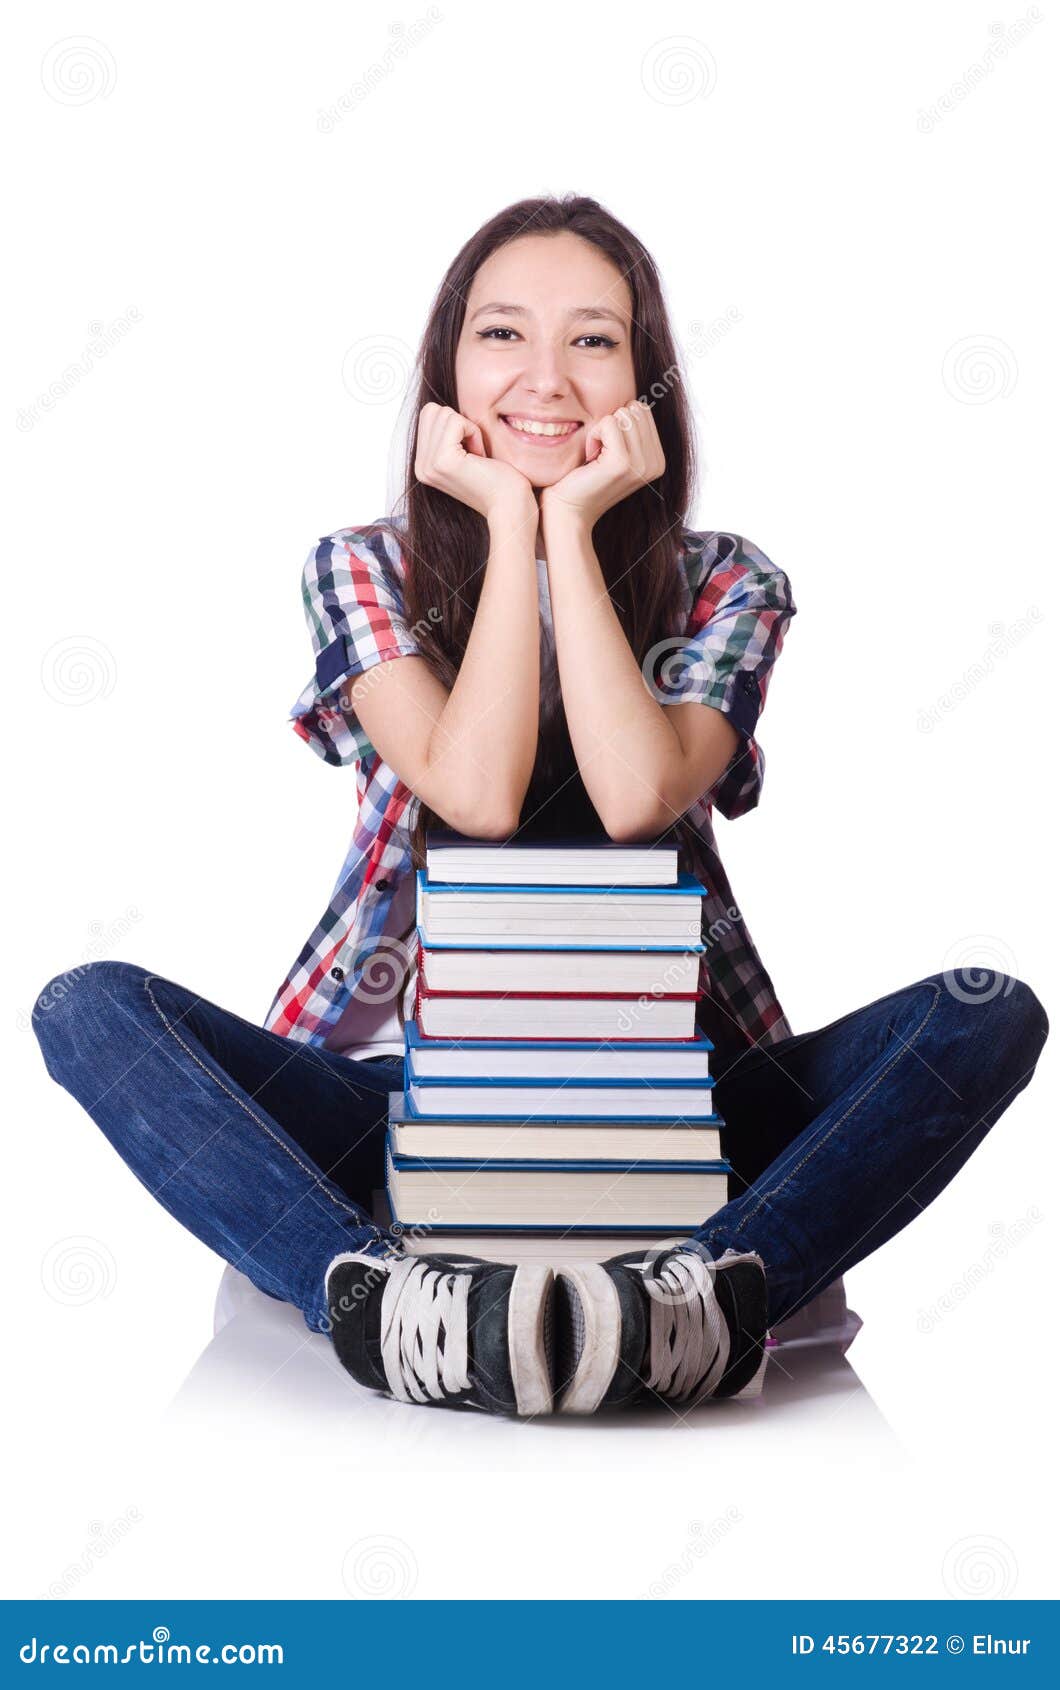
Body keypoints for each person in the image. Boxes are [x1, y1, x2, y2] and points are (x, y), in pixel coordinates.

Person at [31, 195, 1049, 1422]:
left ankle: (701, 1299)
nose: (546, 378)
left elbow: (633, 798)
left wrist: (567, 523)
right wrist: (507, 519)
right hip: (412, 1101)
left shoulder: (728, 578)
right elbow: (473, 788)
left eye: (596, 341)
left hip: (678, 1095)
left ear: (644, 380)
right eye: (503, 335)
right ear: (449, 369)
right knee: (87, 1007)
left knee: (983, 1018)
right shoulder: (364, 566)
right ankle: (384, 1300)